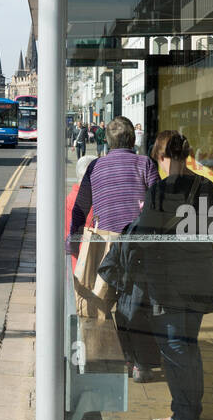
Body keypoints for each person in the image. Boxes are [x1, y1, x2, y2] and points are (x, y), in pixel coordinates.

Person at [130, 130, 213, 420]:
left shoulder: (159, 191)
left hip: (169, 282)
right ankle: (189, 411)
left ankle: (184, 415)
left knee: (175, 348)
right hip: (200, 278)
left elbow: (144, 240)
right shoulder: (208, 187)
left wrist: (147, 216)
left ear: (162, 156)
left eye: (160, 158)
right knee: (188, 346)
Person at [68, 116, 162, 381]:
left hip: (106, 248)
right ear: (133, 140)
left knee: (103, 302)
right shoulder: (145, 164)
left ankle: (111, 357)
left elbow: (80, 208)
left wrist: (74, 239)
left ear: (107, 142)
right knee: (135, 304)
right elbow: (159, 204)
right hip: (140, 246)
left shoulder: (95, 167)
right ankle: (139, 363)